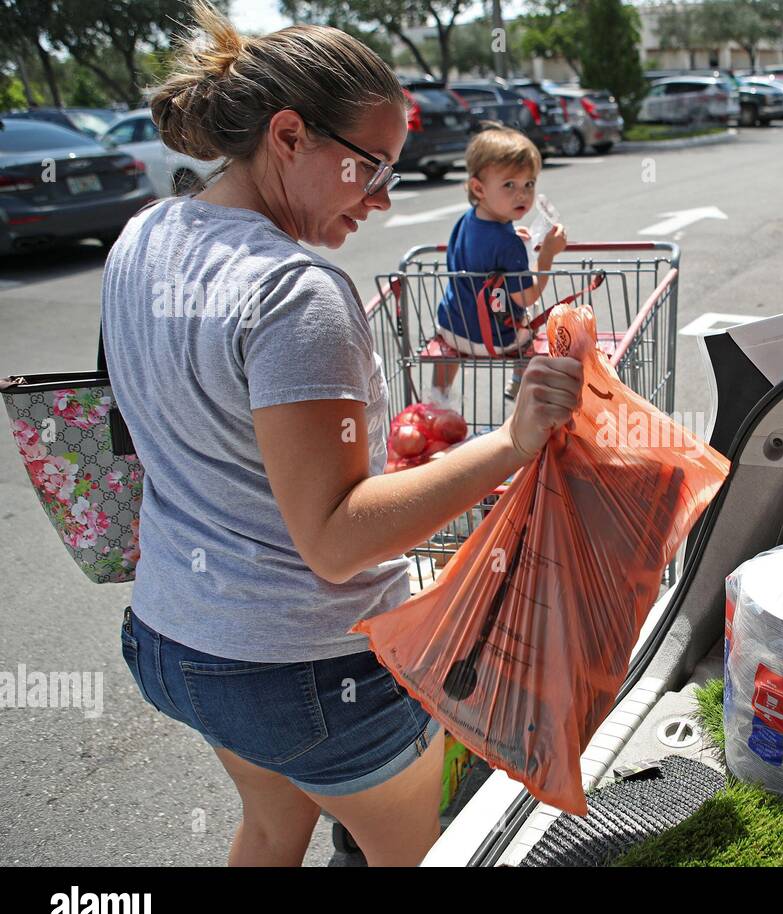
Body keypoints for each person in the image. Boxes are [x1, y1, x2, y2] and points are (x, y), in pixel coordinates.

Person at [100, 0, 583, 867]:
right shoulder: (296, 291)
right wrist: (510, 442)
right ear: (289, 135)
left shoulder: (144, 235)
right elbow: (333, 541)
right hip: (310, 673)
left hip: (178, 639)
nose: (386, 197)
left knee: (272, 828)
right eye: (371, 167)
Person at [434, 121, 567, 399]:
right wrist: (546, 257)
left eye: (529, 184)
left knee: (465, 316)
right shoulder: (508, 244)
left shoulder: (468, 220)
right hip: (492, 340)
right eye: (509, 184)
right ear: (479, 188)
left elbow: (481, 258)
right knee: (531, 326)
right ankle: (521, 381)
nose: (522, 194)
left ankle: (438, 395)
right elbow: (527, 297)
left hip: (451, 327)